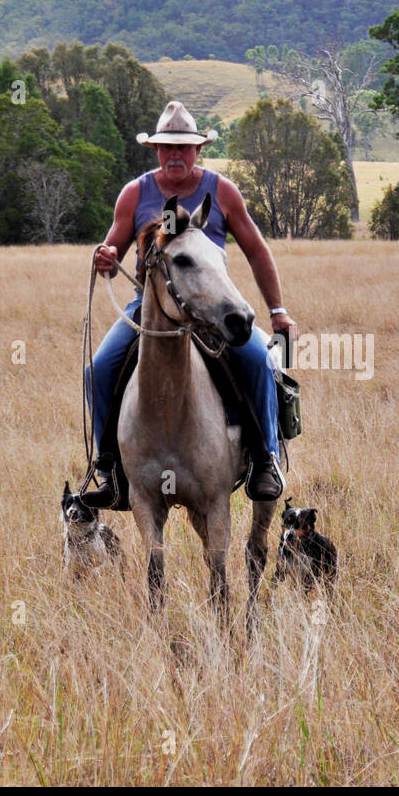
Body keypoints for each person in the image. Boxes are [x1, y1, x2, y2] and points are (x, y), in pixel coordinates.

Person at [88, 100, 296, 506]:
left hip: (211, 308)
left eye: (184, 148)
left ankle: (264, 458)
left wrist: (277, 311)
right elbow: (111, 254)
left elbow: (256, 249)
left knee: (257, 360)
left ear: (198, 150)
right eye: (167, 148)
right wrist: (105, 260)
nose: (175, 155)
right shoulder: (135, 194)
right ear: (156, 151)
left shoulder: (222, 191)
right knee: (98, 372)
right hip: (149, 309)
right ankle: (110, 469)